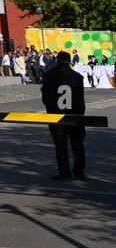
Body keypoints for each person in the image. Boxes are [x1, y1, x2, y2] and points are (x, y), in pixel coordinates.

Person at [40, 52, 86, 180]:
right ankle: (79, 171)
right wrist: (80, 114)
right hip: (74, 114)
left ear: (58, 60)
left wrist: (50, 109)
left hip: (56, 114)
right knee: (77, 145)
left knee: (61, 145)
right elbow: (80, 98)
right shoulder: (77, 77)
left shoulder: (49, 75)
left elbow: (45, 96)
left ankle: (64, 172)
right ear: (69, 60)